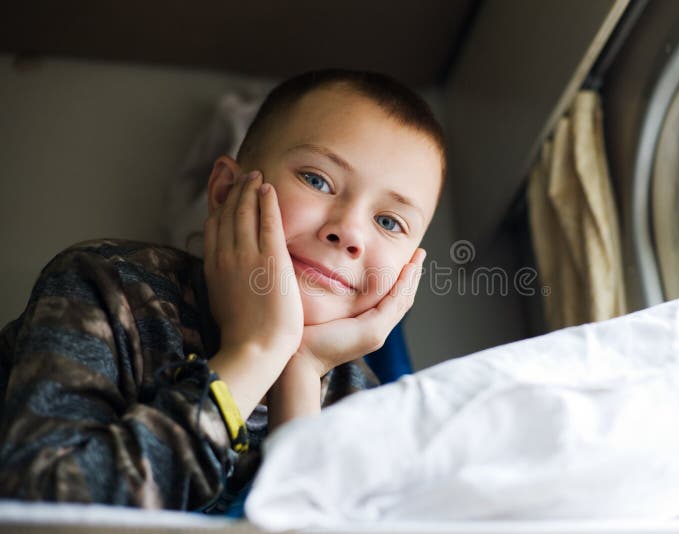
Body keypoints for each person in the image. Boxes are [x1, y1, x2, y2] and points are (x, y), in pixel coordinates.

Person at [0, 69, 446, 512]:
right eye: (317, 180)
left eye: (389, 222)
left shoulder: (364, 403)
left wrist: (301, 374)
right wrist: (257, 349)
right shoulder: (107, 287)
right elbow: (45, 506)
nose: (348, 231)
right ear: (225, 190)